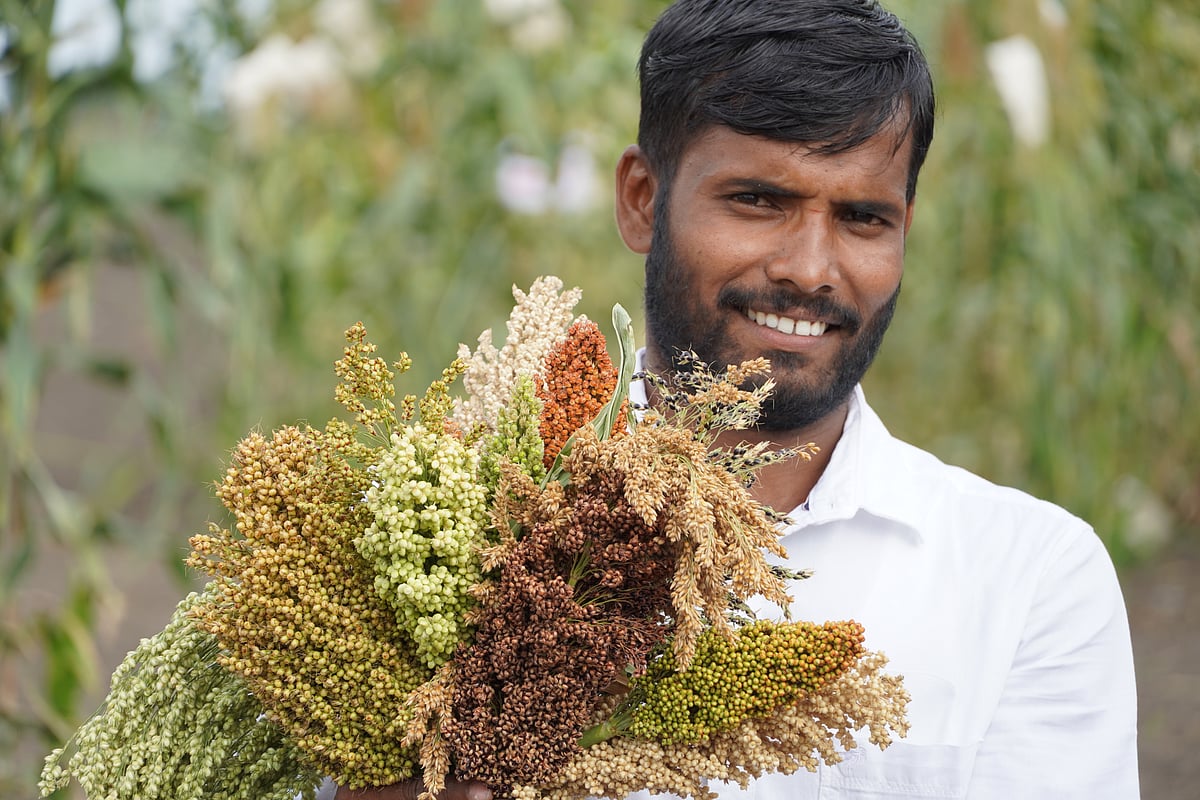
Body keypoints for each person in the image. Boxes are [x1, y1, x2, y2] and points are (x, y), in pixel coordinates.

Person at [336, 0, 1139, 798]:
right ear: (642, 199)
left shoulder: (1027, 579)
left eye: (863, 217)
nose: (811, 269)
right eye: (759, 200)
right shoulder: (433, 534)